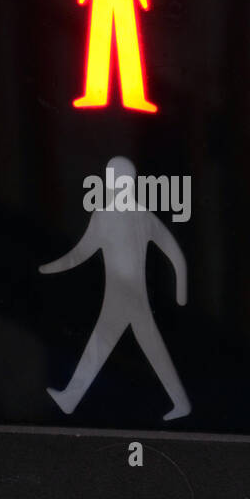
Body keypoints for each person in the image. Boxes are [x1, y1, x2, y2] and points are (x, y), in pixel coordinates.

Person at [40, 157, 190, 420]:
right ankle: (71, 398)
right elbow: (82, 251)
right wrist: (52, 268)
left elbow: (173, 252)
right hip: (119, 296)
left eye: (114, 178)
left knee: (133, 348)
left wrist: (181, 292)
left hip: (130, 296)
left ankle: (71, 398)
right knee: (110, 347)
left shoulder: (141, 217)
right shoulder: (106, 215)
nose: (112, 183)